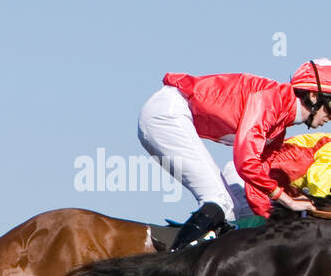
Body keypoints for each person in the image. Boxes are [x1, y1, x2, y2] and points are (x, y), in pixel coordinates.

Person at [137, 59, 331, 249]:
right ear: (314, 96)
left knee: (234, 210)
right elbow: (246, 163)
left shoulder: (279, 129)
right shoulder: (272, 100)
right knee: (219, 200)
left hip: (173, 115)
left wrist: (277, 219)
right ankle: (173, 263)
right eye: (330, 106)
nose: (329, 118)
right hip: (166, 114)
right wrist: (287, 200)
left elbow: (257, 187)